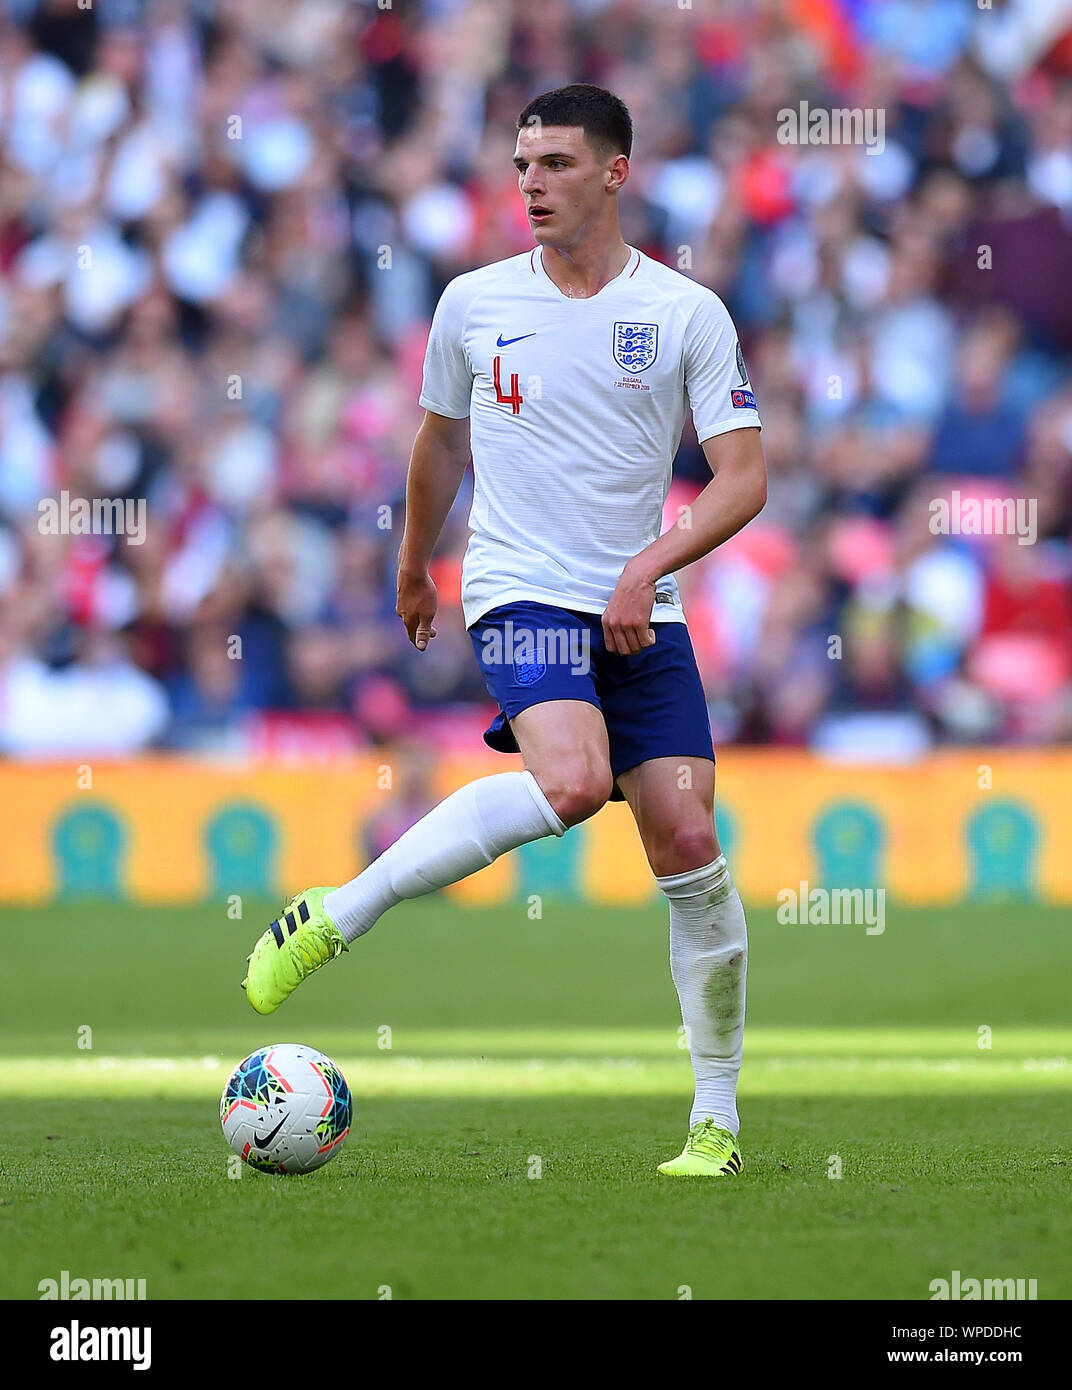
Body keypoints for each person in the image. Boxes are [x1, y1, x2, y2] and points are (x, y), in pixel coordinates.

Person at [242, 84, 767, 1179]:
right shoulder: (473, 303)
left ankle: (714, 1119)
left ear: (615, 172)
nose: (531, 182)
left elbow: (745, 481)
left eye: (558, 164)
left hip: (637, 602)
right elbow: (437, 446)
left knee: (689, 846)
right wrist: (411, 563)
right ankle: (343, 910)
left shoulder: (685, 313)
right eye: (522, 163)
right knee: (573, 782)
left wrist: (648, 566)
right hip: (518, 587)